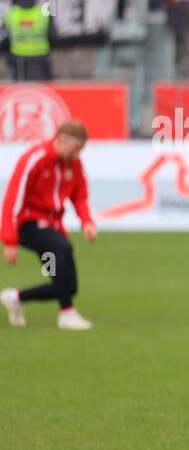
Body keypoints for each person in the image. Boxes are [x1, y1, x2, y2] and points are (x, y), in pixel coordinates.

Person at [1, 120, 97, 330]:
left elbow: (79, 195)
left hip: (52, 228)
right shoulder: (35, 159)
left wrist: (87, 222)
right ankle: (66, 314)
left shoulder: (74, 164)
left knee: (66, 286)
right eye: (75, 149)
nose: (77, 155)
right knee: (61, 248)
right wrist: (9, 240)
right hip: (28, 226)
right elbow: (12, 199)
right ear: (61, 141)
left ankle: (15, 297)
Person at [3, 0, 53, 81]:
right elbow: (53, 35)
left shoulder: (10, 14)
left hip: (18, 57)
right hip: (41, 57)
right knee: (43, 90)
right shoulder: (43, 14)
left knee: (19, 91)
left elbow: (3, 37)